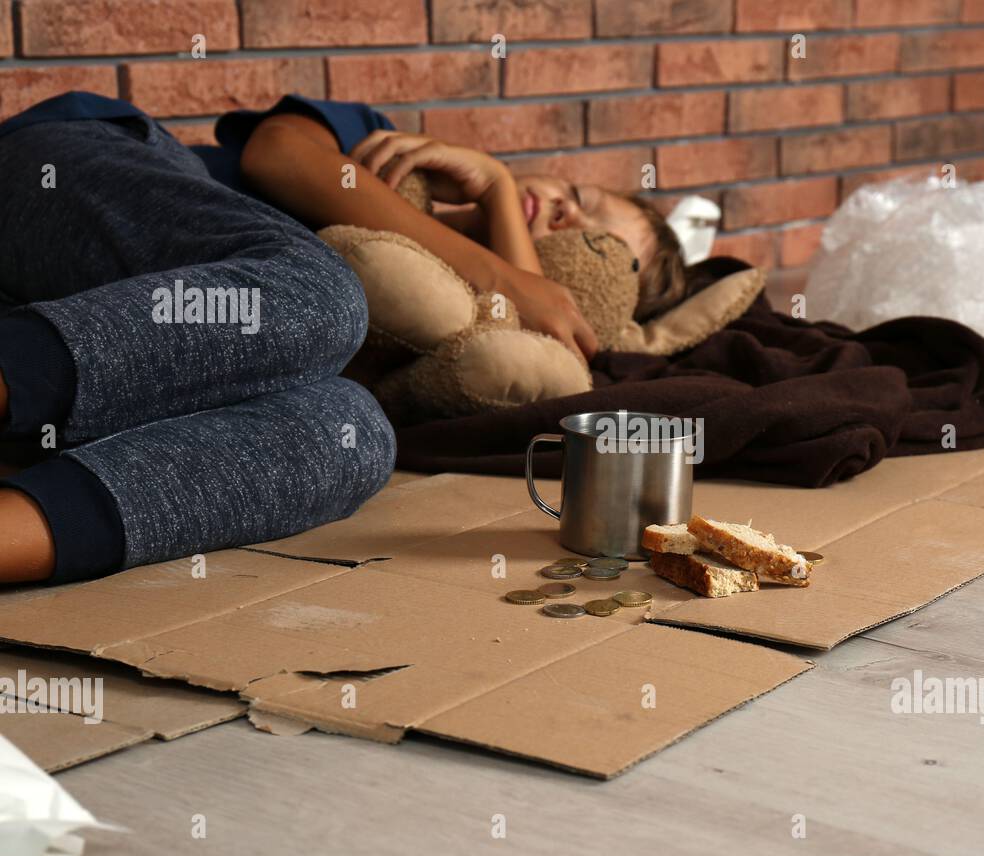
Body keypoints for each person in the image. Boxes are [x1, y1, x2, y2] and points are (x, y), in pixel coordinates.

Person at [0, 92, 687, 585]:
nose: (564, 210)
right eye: (577, 193)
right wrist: (501, 230)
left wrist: (511, 261)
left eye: (586, 236)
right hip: (66, 177)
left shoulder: (460, 348)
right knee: (325, 296)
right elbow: (277, 154)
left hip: (84, 364)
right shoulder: (380, 151)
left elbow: (537, 359)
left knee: (353, 434)